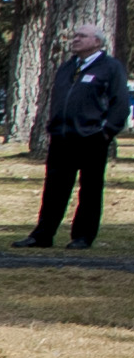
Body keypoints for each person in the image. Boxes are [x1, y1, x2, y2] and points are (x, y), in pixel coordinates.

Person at [30, 25, 125, 248]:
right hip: (62, 136)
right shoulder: (67, 67)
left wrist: (108, 130)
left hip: (92, 137)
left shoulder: (110, 68)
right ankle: (43, 235)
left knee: (90, 189)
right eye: (74, 36)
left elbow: (119, 103)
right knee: (54, 188)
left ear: (97, 42)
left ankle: (82, 236)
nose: (75, 40)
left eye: (81, 36)